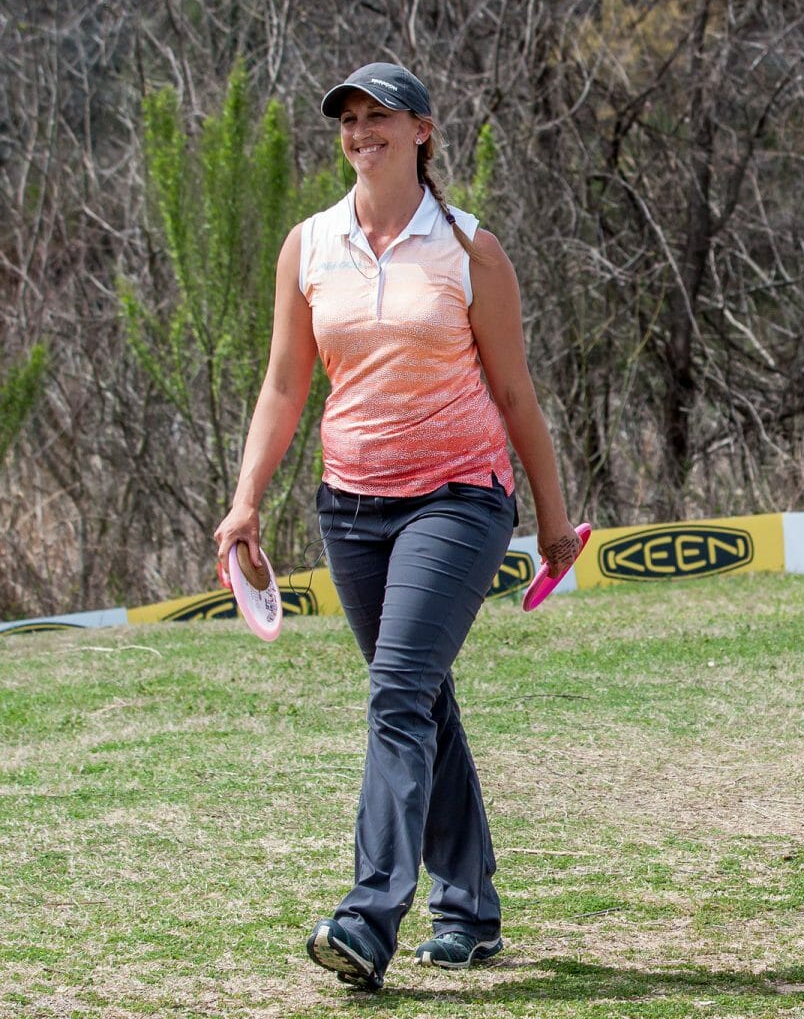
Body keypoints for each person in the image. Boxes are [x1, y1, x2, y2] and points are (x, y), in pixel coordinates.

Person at [213, 62, 580, 991]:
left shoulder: (468, 250)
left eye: (381, 116)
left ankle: (369, 917)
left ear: (424, 130)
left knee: (396, 695)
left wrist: (552, 516)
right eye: (349, 118)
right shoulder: (310, 245)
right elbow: (285, 384)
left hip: (459, 498)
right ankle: (470, 909)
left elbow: (513, 390)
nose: (362, 131)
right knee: (416, 699)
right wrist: (246, 500)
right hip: (352, 505)